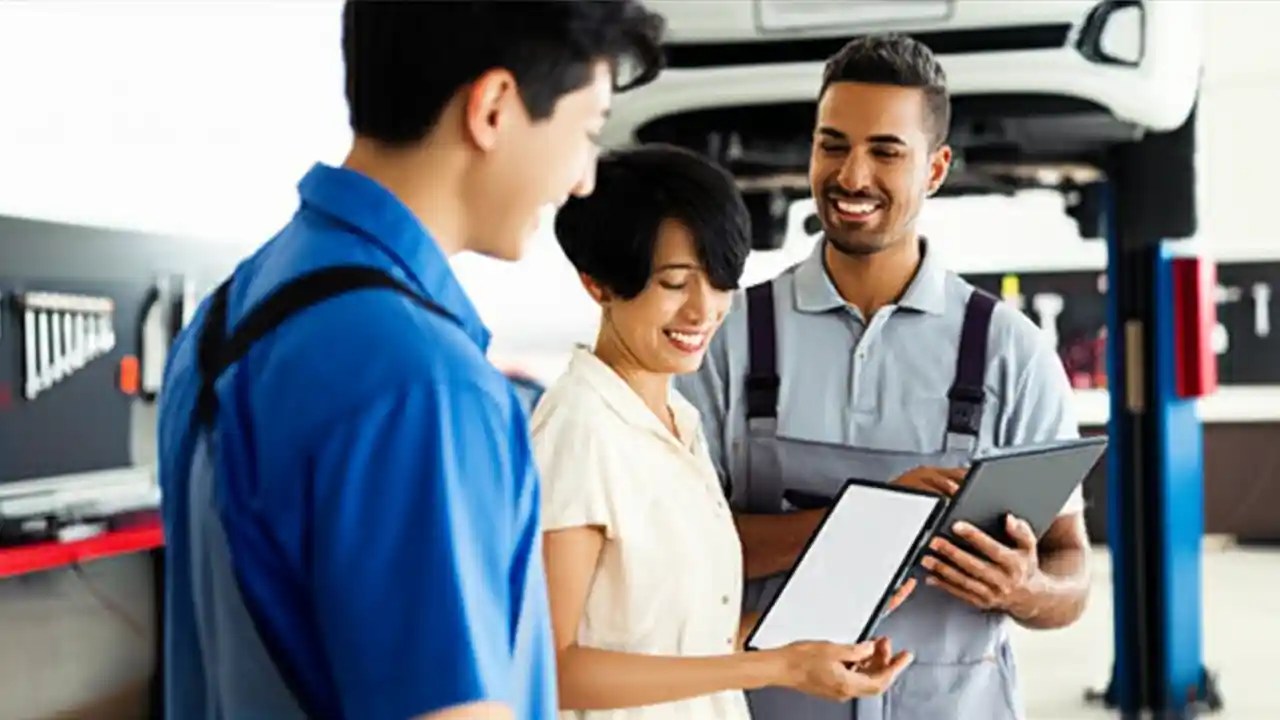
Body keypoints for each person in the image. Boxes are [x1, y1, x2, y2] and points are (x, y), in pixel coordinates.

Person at [155, 2, 664, 719]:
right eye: (586, 132)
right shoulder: (421, 381)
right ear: (492, 109)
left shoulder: (230, 313)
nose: (582, 179)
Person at [674, 34, 1093, 720]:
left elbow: (1070, 575)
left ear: (935, 169)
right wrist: (870, 520)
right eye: (832, 144)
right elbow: (681, 558)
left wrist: (1024, 588)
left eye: (886, 151)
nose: (851, 175)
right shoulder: (726, 338)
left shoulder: (1010, 354)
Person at [533, 144, 915, 720]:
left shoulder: (677, 420)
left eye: (719, 281)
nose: (703, 310)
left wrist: (820, 625)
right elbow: (551, 671)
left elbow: (683, 643)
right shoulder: (578, 430)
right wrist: (775, 667)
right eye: (674, 283)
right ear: (599, 284)